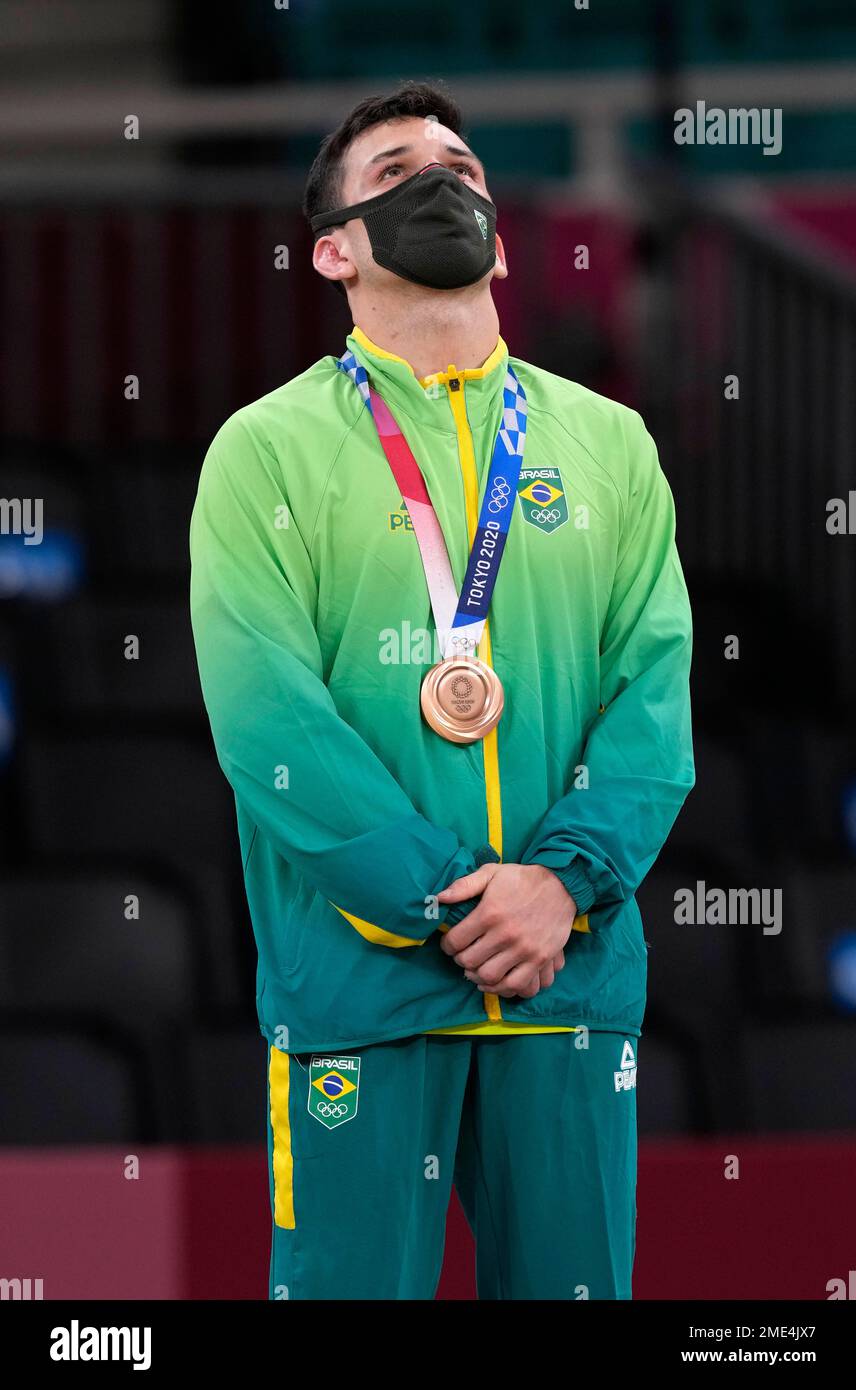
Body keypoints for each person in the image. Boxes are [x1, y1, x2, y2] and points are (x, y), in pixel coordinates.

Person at [189, 81, 694, 1301]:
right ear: (334, 250)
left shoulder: (608, 442)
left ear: (499, 235)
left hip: (560, 977)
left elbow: (652, 698)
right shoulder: (267, 447)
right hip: (364, 986)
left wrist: (559, 889)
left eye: (461, 163)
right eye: (398, 167)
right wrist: (453, 905)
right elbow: (266, 718)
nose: (443, 178)